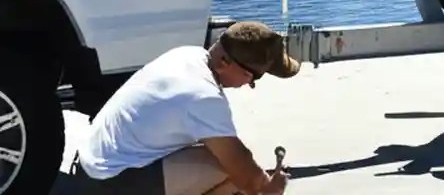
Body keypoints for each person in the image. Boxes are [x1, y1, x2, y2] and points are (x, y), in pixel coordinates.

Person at [70, 21, 301, 194]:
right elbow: (246, 174)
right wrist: (271, 187)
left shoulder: (186, 55)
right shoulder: (204, 96)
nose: (250, 86)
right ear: (224, 63)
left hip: (91, 164)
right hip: (105, 182)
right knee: (233, 175)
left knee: (219, 153)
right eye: (254, 77)